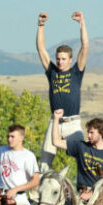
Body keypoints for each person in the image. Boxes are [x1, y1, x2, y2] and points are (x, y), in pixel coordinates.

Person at [36, 10, 88, 167]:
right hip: (55, 123)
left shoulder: (76, 72)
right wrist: (41, 25)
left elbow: (85, 46)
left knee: (83, 158)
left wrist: (82, 23)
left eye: (64, 59)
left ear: (70, 60)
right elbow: (41, 49)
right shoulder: (52, 72)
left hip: (73, 123)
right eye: (58, 59)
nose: (60, 62)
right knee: (44, 163)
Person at [51, 109, 103, 205]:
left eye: (92, 133)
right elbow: (56, 142)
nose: (88, 135)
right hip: (81, 194)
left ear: (101, 133)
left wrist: (91, 193)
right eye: (88, 132)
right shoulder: (81, 147)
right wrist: (56, 119)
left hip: (100, 196)